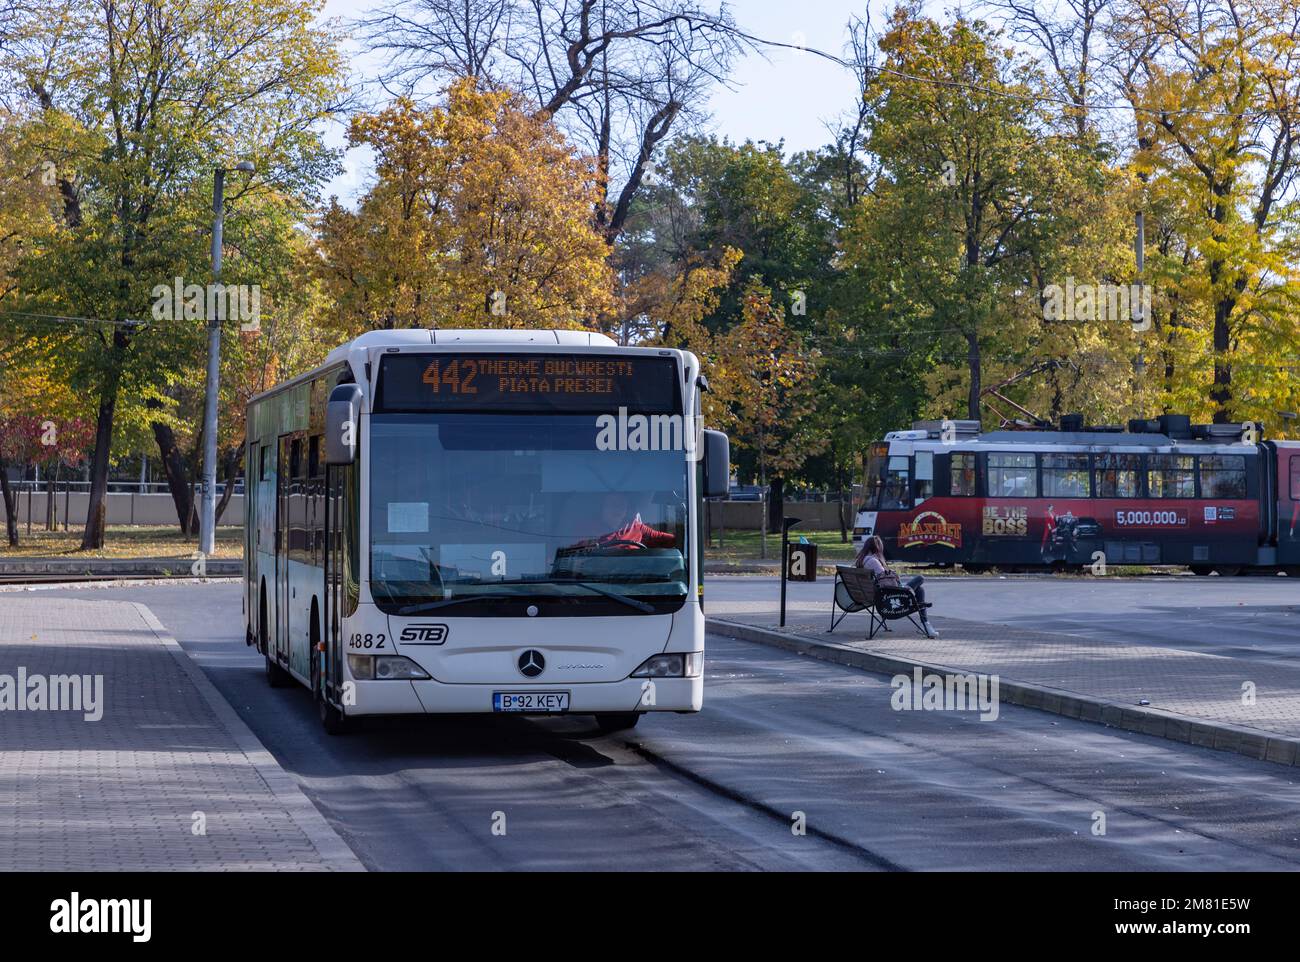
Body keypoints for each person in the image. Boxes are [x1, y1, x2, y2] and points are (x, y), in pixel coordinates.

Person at [854, 535, 938, 638]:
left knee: (920, 590)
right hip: (890, 595)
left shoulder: (862, 560)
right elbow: (886, 578)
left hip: (874, 594)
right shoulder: (873, 561)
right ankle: (925, 623)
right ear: (877, 547)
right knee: (920, 578)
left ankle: (925, 624)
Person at [568, 491, 677, 553]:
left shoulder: (635, 526)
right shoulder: (585, 529)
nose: (617, 509)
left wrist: (688, 536)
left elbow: (666, 539)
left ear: (626, 509)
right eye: (612, 504)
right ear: (602, 507)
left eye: (621, 505)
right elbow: (571, 554)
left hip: (634, 580)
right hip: (597, 581)